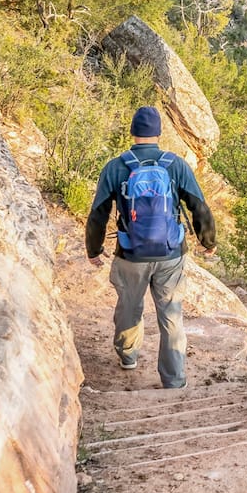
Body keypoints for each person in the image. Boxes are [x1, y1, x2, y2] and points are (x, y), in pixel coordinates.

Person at [85, 106, 216, 389]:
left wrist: (93, 250)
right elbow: (198, 206)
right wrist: (208, 242)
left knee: (129, 308)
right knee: (171, 314)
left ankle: (128, 355)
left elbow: (99, 212)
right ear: (158, 133)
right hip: (170, 253)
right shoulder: (175, 165)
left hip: (131, 254)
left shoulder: (116, 166)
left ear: (133, 132)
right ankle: (174, 379)